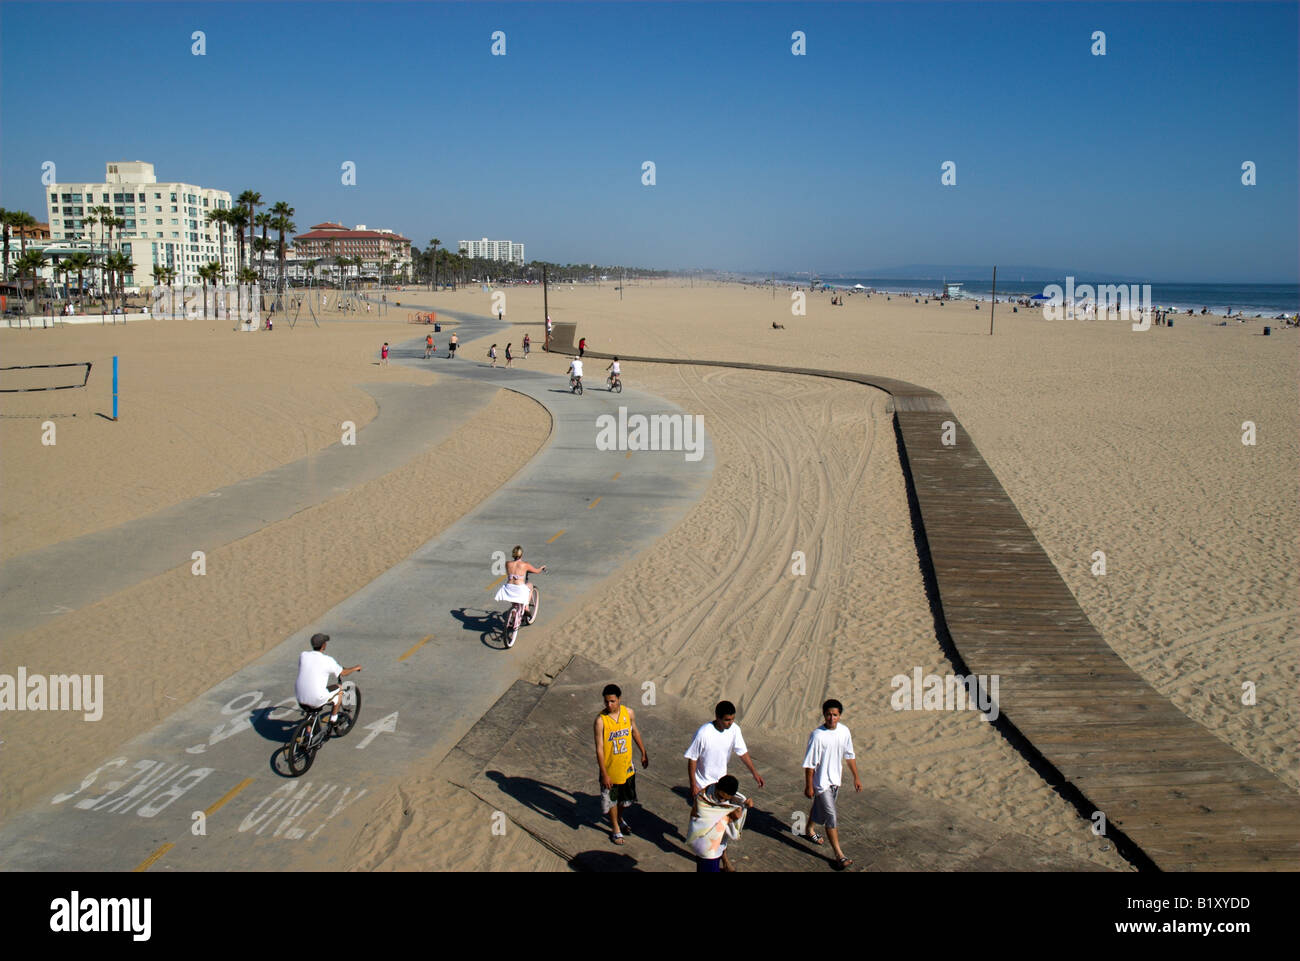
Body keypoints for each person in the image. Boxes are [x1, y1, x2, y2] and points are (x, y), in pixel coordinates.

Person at [802, 698, 862, 868]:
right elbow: (810, 764)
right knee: (831, 817)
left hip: (836, 781)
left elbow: (849, 756)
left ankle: (809, 829)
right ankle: (839, 855)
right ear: (824, 715)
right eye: (828, 715)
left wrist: (856, 777)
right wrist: (809, 785)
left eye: (835, 715)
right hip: (821, 784)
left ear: (840, 716)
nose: (831, 718)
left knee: (819, 807)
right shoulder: (817, 735)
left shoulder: (844, 732)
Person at [594, 684, 648, 844]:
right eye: (606, 702)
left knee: (625, 799)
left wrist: (643, 752)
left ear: (619, 699)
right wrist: (604, 774)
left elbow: (634, 731)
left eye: (612, 701)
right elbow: (599, 749)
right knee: (612, 799)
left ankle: (619, 817)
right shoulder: (600, 721)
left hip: (627, 767)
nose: (609, 705)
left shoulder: (628, 713)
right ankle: (615, 827)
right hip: (611, 770)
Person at [684, 700, 764, 799]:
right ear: (717, 717)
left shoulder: (735, 730)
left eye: (733, 719)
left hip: (721, 785)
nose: (730, 723)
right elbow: (692, 759)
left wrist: (754, 773)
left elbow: (742, 752)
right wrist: (693, 786)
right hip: (702, 785)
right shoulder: (703, 733)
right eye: (727, 720)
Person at [686, 774, 752, 872]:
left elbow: (730, 809)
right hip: (706, 848)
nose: (722, 801)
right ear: (716, 786)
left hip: (718, 847)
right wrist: (734, 817)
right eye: (720, 796)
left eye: (726, 799)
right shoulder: (702, 799)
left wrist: (745, 805)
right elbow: (711, 822)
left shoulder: (729, 799)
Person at [294, 633, 362, 727]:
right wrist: (355, 668)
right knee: (339, 689)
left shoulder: (303, 655)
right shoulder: (328, 660)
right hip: (316, 698)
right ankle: (334, 719)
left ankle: (307, 734)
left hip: (300, 697)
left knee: (310, 707)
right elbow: (343, 673)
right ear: (323, 645)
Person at [493, 545, 546, 637]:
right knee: (530, 585)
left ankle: (513, 616)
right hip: (519, 589)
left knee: (514, 604)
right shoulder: (525, 565)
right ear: (521, 555)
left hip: (508, 589)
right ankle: (526, 607)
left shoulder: (507, 563)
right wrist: (541, 568)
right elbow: (536, 571)